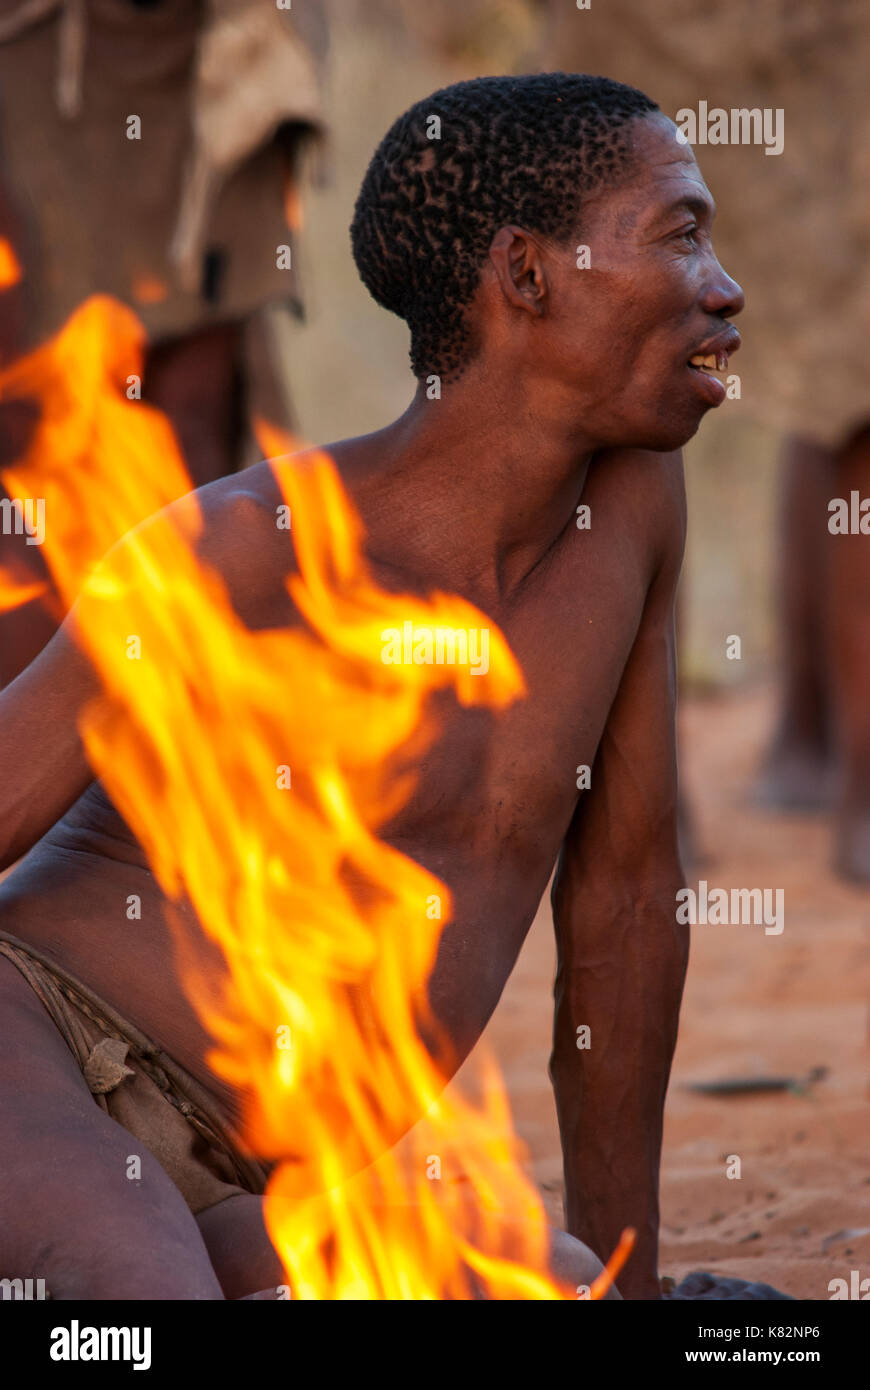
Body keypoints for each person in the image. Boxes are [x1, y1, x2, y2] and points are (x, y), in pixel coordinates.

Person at [1, 73, 786, 1300]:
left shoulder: (634, 514)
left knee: (554, 1284)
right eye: (683, 234)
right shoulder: (257, 545)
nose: (725, 284)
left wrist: (634, 1286)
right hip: (37, 1044)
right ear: (527, 276)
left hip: (261, 1177)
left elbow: (626, 902)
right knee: (136, 1294)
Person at [0, 0, 327, 684]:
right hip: (39, 46)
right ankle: (41, 722)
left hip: (221, 49)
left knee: (192, 420)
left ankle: (173, 703)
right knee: (33, 414)